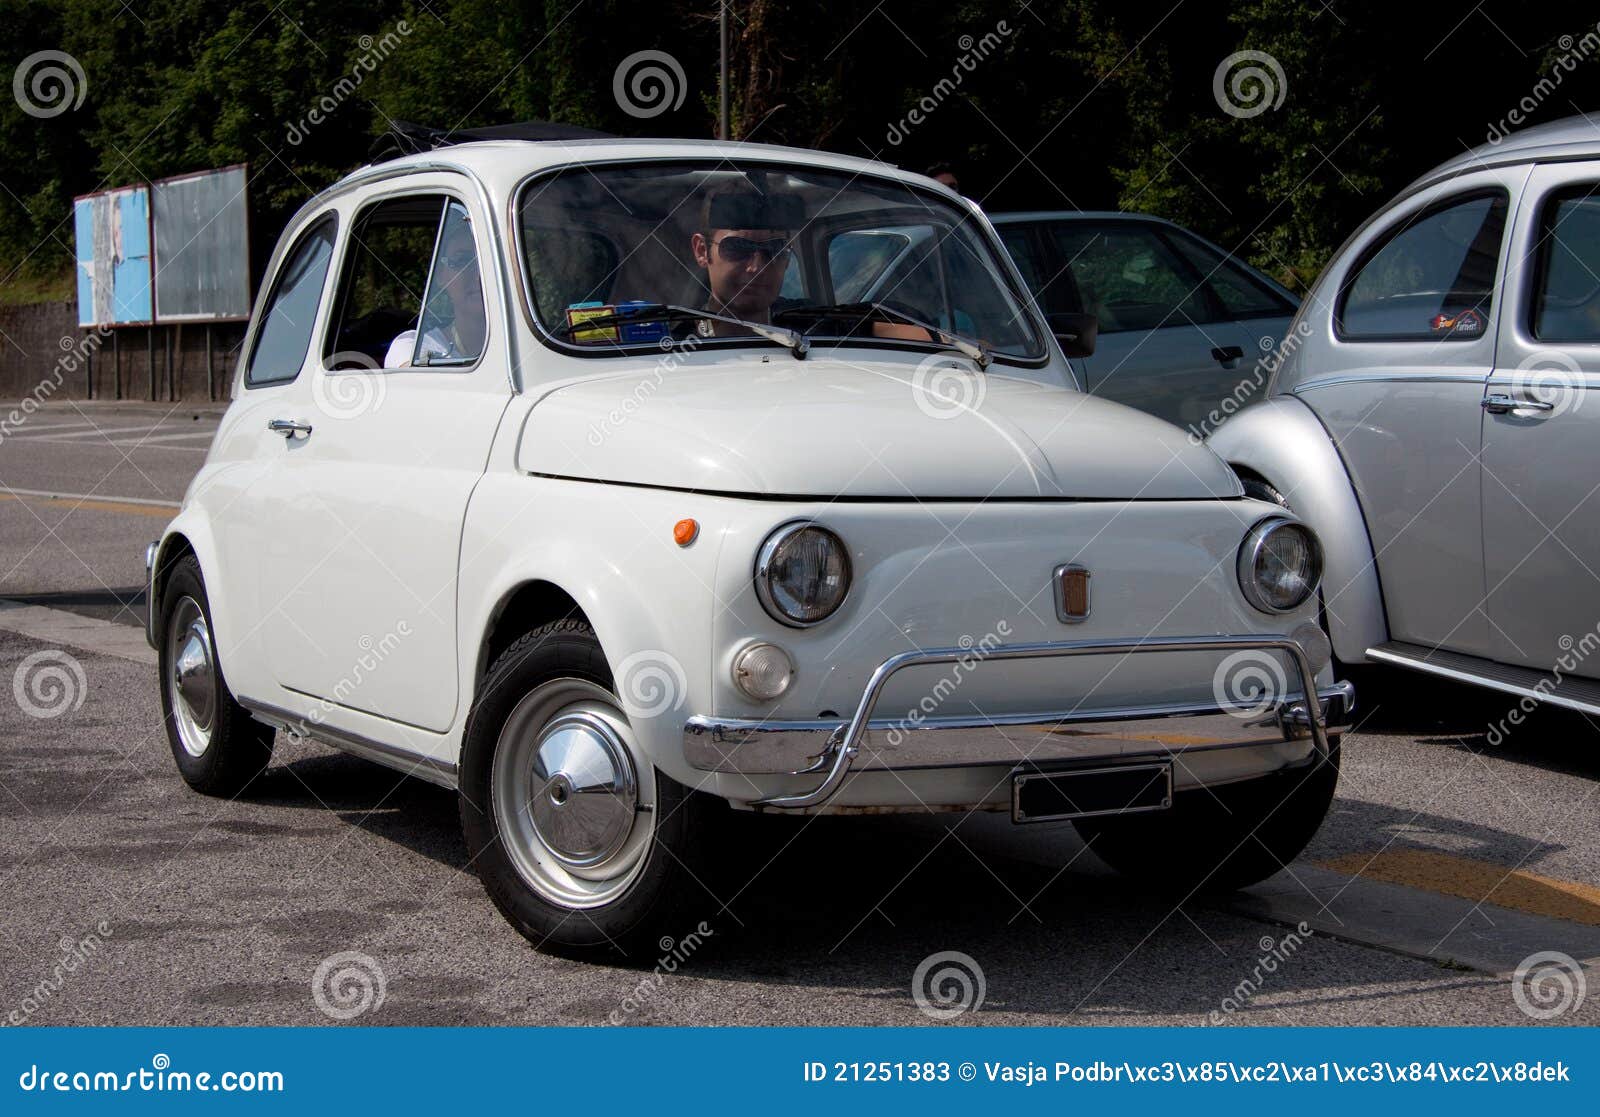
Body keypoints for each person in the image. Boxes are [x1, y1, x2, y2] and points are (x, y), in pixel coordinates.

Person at [686, 184, 804, 335]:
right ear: (702, 250)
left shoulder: (819, 330)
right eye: (738, 247)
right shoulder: (669, 346)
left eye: (775, 248)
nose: (757, 267)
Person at [384, 204, 488, 367]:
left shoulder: (533, 343)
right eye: (462, 260)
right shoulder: (414, 349)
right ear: (440, 275)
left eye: (489, 261)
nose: (479, 275)